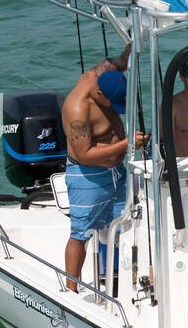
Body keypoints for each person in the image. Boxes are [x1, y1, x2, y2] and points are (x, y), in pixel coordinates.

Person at [61, 44, 149, 292]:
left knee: (127, 223)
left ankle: (126, 282)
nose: (113, 108)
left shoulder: (105, 71)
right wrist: (128, 143)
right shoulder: (77, 109)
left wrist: (131, 45)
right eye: (111, 103)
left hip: (117, 173)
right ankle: (71, 290)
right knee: (81, 232)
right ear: (99, 93)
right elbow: (84, 154)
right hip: (87, 177)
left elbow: (120, 60)